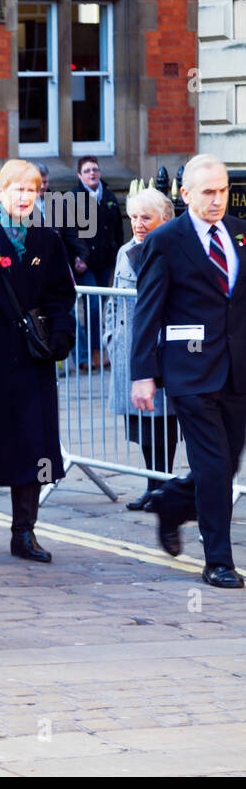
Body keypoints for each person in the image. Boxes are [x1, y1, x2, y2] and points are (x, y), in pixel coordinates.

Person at [0, 160, 77, 563]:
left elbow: (61, 292)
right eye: (17, 190)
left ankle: (24, 532)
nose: (25, 197)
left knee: (34, 447)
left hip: (32, 359)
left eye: (32, 190)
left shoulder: (48, 238)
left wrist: (61, 331)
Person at [132, 154, 246, 589]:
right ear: (185, 195)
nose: (219, 200)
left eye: (224, 191)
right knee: (214, 466)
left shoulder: (240, 234)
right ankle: (218, 560)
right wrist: (143, 374)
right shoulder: (166, 241)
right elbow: (147, 311)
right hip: (190, 373)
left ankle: (171, 502)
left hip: (237, 372)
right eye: (209, 192)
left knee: (225, 464)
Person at [104, 188, 178, 511]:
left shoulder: (173, 250)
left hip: (161, 351)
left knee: (163, 421)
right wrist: (109, 337)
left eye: (146, 217)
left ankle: (163, 488)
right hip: (128, 351)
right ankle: (151, 486)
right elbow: (111, 299)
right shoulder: (125, 252)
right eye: (134, 217)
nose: (138, 223)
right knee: (142, 425)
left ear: (165, 219)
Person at [62, 155, 124, 370]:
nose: (92, 174)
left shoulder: (108, 196)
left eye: (95, 169)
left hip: (105, 262)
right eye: (87, 171)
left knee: (100, 308)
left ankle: (97, 352)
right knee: (93, 305)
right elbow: (68, 233)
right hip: (83, 263)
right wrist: (78, 258)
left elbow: (117, 228)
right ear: (80, 175)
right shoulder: (72, 198)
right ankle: (88, 354)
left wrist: (117, 253)